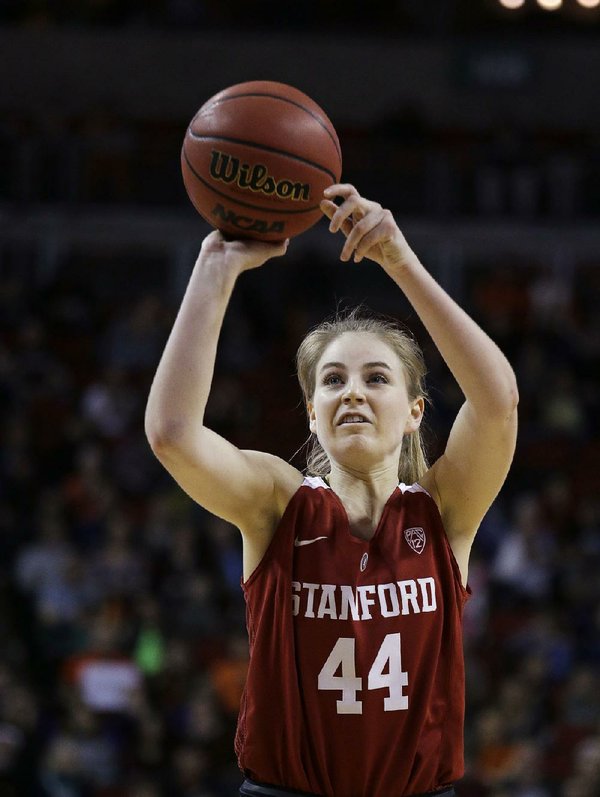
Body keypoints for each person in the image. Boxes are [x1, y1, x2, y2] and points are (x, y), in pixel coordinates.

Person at [145, 184, 518, 797]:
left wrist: (400, 260)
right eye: (332, 380)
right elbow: (171, 434)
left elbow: (498, 402)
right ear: (313, 414)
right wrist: (215, 271)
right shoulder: (279, 504)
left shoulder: (444, 511)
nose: (353, 392)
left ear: (414, 411)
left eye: (377, 378)